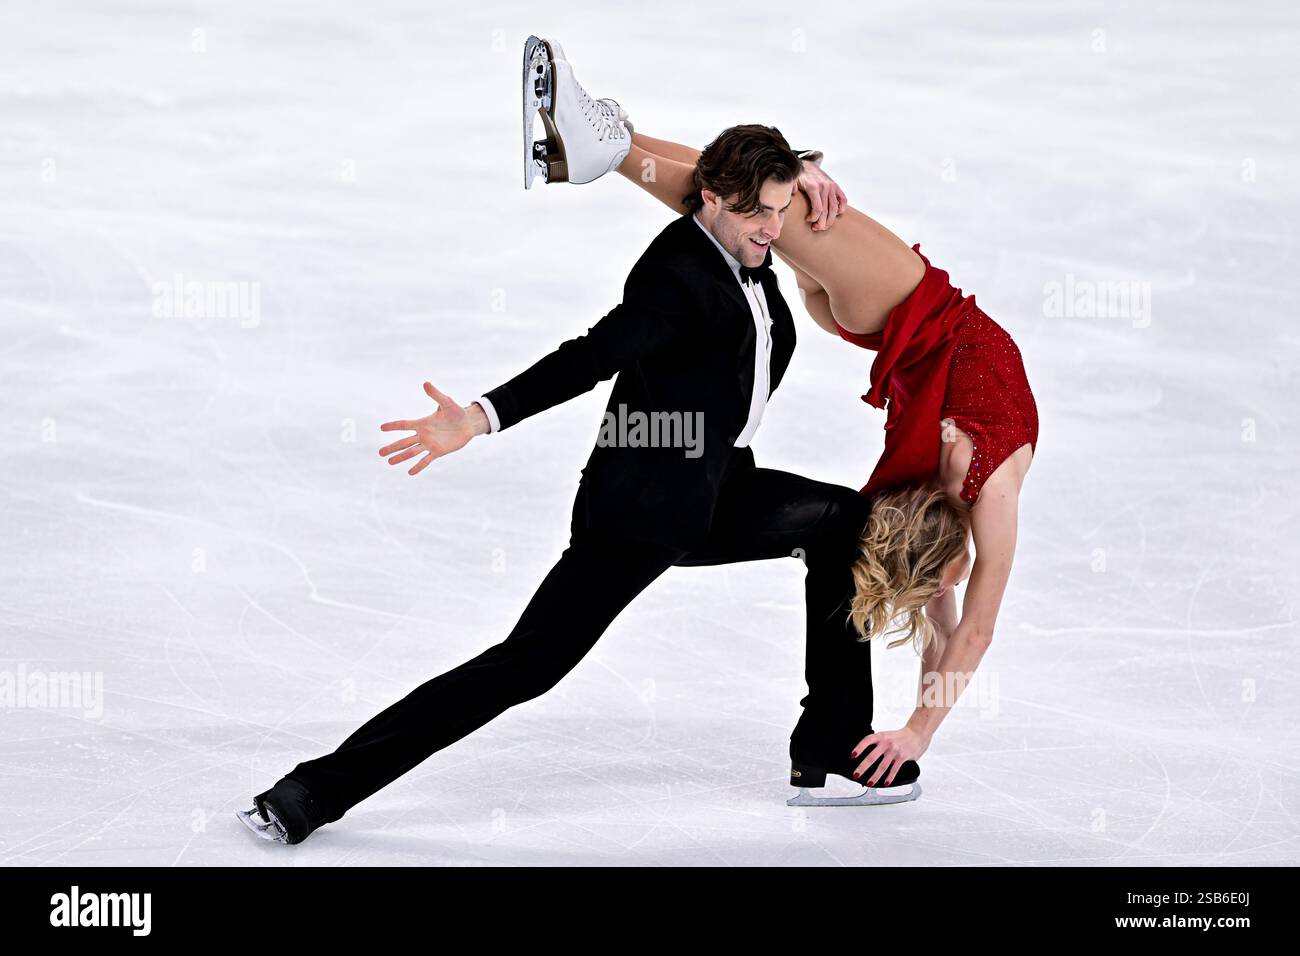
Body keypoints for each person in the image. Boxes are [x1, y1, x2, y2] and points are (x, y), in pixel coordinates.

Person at [236, 53, 948, 844]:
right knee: (526, 665)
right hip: (639, 509)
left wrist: (805, 168)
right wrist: (480, 416)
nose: (774, 231)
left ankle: (829, 743)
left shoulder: (740, 235)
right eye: (759, 214)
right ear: (711, 201)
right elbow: (593, 352)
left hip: (715, 487)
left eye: (781, 210)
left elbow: (719, 184)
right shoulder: (679, 277)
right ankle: (311, 793)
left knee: (842, 520)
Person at [533, 38, 1038, 785]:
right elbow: (976, 631)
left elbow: (950, 630)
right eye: (945, 585)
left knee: (766, 211)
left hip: (879, 326)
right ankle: (600, 147)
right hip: (918, 319)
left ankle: (603, 147)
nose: (949, 593)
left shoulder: (949, 523)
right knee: (775, 208)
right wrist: (919, 737)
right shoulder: (983, 481)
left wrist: (916, 725)